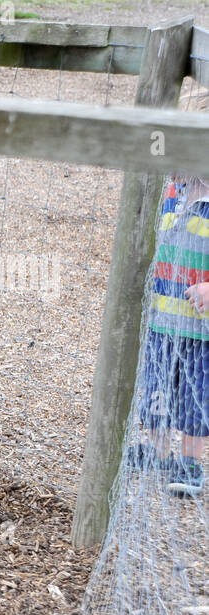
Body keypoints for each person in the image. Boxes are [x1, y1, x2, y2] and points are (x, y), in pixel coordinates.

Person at [128, 172, 209, 498]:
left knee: (196, 397)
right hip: (161, 320)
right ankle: (159, 451)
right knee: (156, 389)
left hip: (200, 332)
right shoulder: (172, 194)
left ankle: (191, 461)